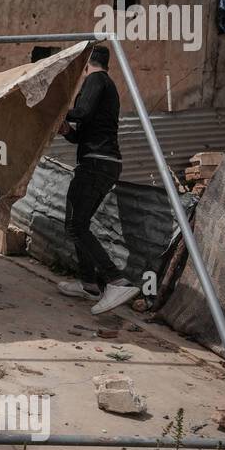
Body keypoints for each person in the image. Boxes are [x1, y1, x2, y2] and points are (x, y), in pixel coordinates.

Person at [56, 44, 139, 315]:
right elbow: (82, 129)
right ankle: (90, 284)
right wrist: (67, 130)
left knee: (75, 226)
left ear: (86, 64)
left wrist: (56, 111)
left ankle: (117, 280)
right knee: (78, 224)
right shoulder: (106, 86)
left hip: (96, 164)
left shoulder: (96, 79)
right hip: (103, 163)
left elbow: (81, 113)